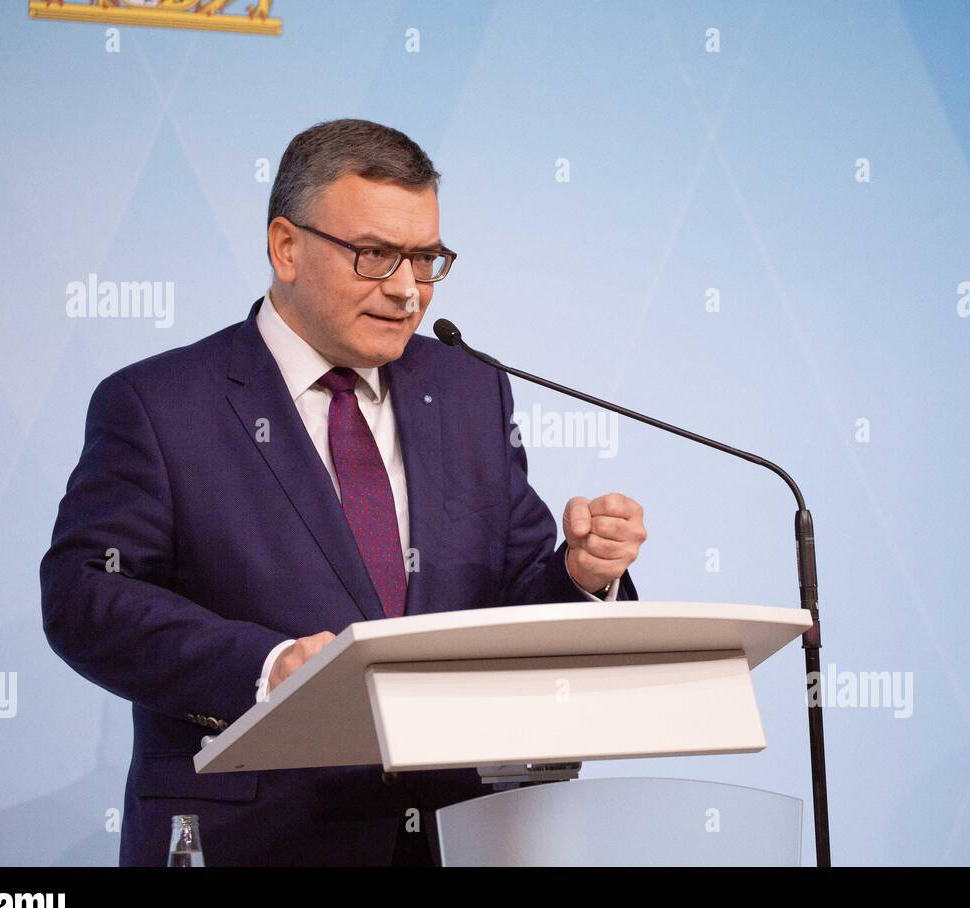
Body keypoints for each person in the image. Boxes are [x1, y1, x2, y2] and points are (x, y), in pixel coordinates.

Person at [39, 119, 647, 866]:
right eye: (375, 255)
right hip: (254, 841)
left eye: (425, 259)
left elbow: (513, 595)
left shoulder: (467, 388)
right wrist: (267, 668)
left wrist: (582, 579)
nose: (405, 289)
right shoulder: (160, 404)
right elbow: (87, 597)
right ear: (286, 248)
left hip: (455, 837)